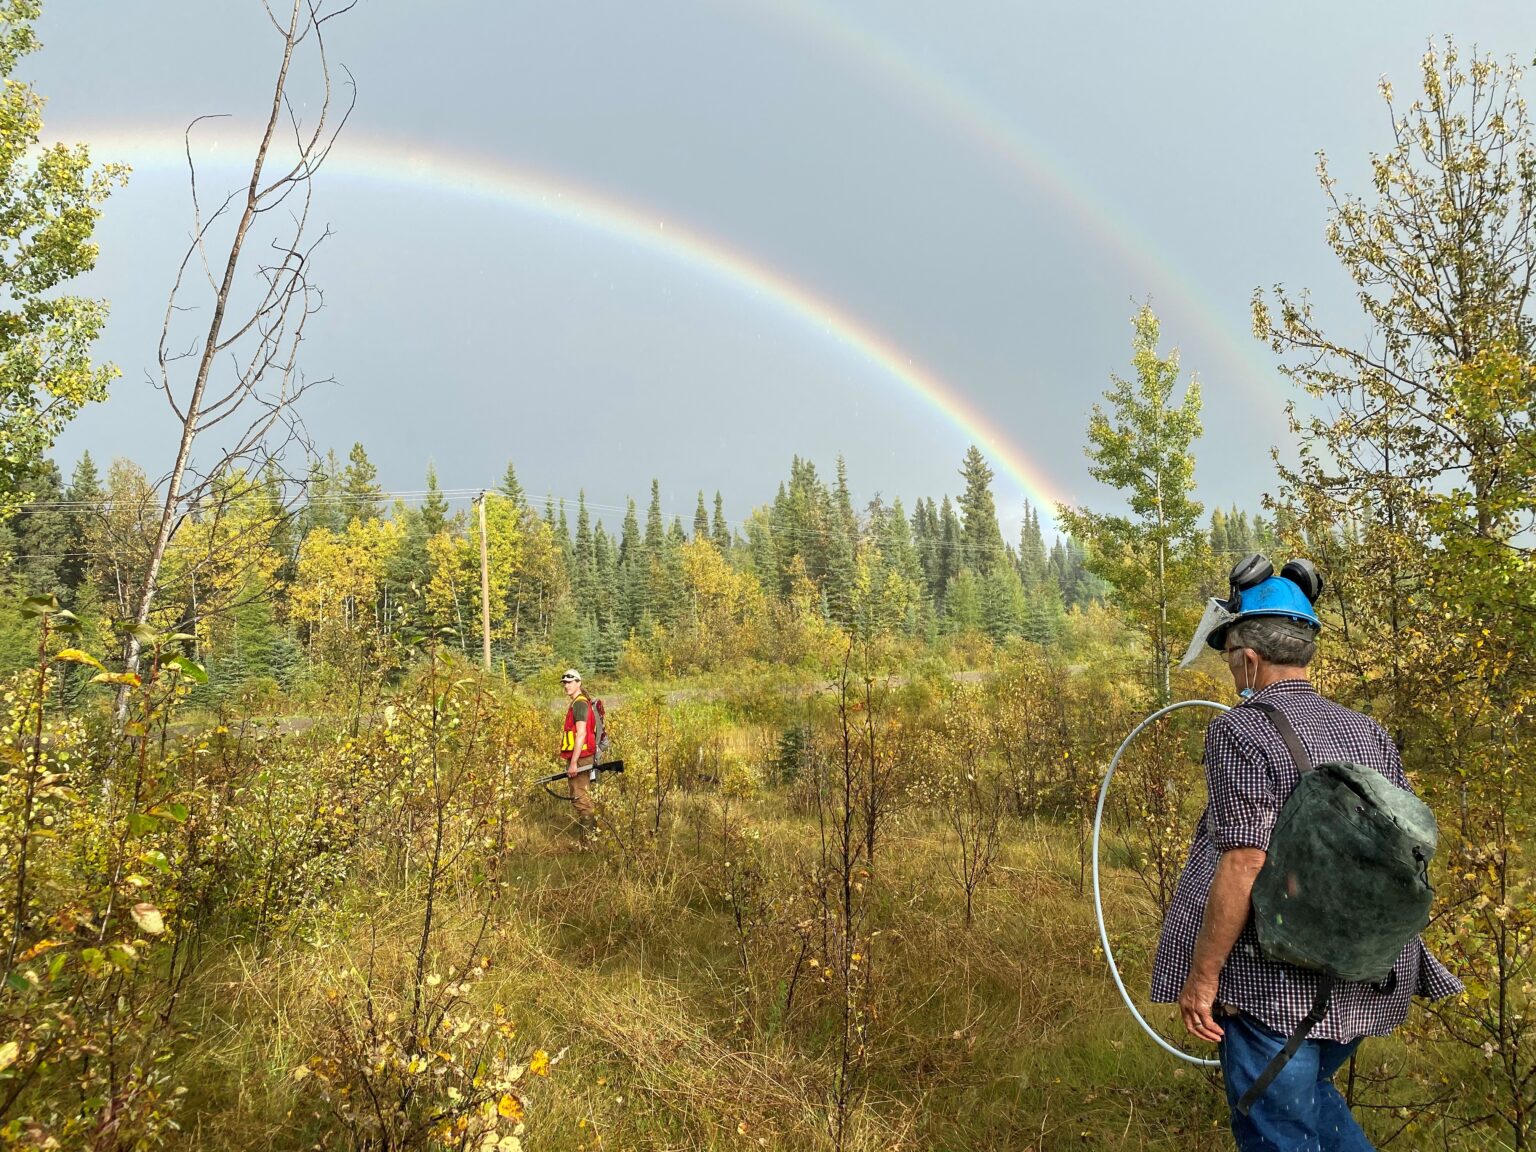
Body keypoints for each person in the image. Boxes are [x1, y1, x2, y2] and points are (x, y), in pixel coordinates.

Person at [1150, 556, 1461, 1151]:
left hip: (1274, 984)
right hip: (1365, 969)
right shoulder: (1365, 730)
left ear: (1247, 658)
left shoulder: (1241, 729)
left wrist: (1203, 976)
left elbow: (1245, 861)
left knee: (1280, 1129)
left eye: (1229, 660)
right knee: (1311, 1104)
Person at [558, 669, 598, 831]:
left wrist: (574, 763)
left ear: (578, 683)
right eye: (565, 683)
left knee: (580, 797)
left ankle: (590, 841)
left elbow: (581, 734)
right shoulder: (578, 702)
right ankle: (592, 836)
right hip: (581, 756)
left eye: (570, 682)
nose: (566, 686)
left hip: (581, 757)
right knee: (582, 795)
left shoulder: (580, 704)